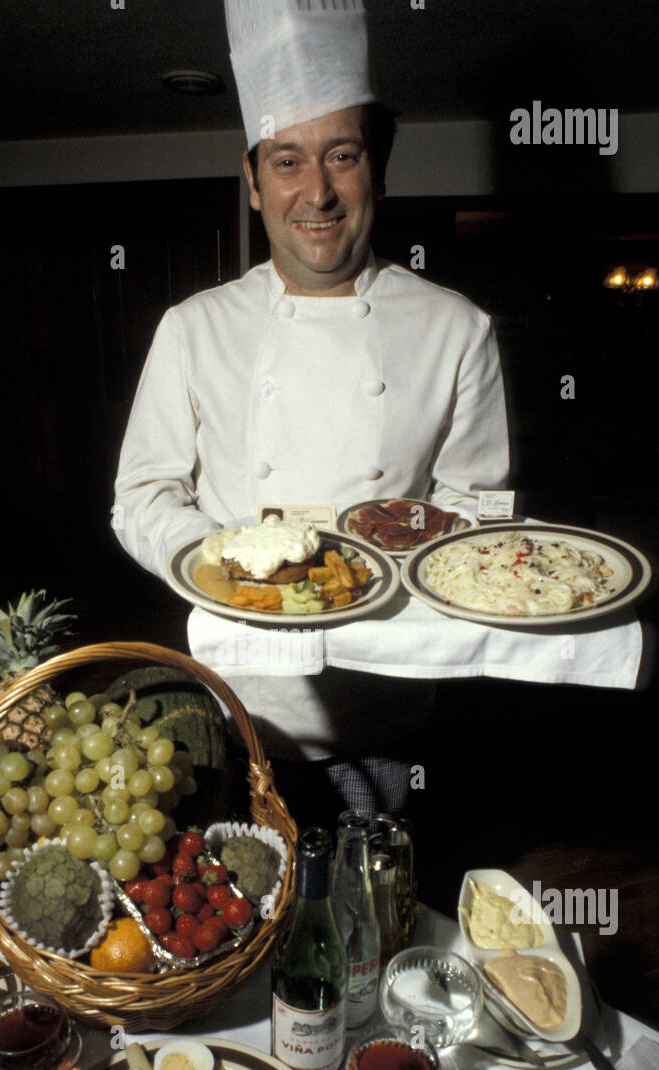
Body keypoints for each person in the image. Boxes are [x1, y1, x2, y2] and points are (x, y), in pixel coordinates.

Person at [112, 0, 510, 819]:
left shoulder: (458, 328)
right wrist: (230, 566)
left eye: (342, 155)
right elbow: (140, 498)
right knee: (238, 935)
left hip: (389, 706)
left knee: (369, 928)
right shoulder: (192, 329)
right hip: (231, 713)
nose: (317, 192)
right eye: (287, 162)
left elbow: (479, 507)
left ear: (379, 172)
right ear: (253, 183)